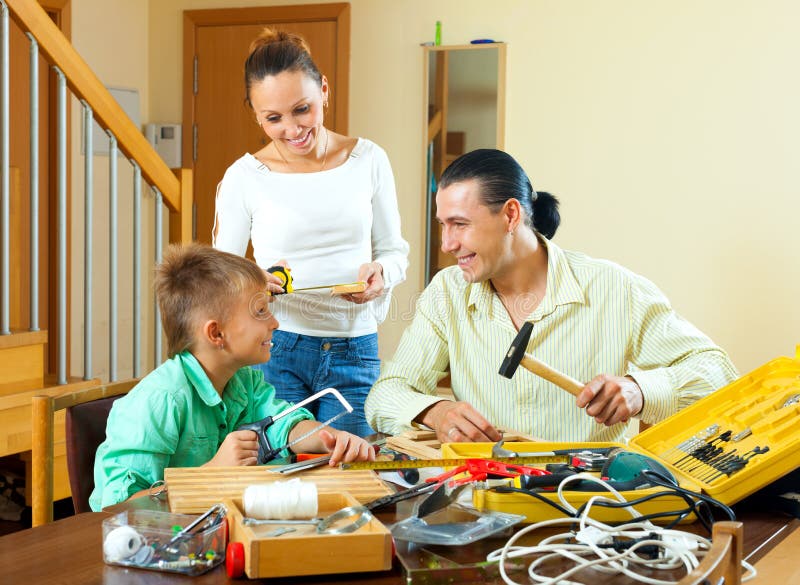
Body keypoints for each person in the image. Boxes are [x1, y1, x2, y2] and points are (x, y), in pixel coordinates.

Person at [365, 149, 738, 444]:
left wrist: (641, 389)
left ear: (511, 215)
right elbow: (385, 394)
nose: (447, 244)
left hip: (589, 502)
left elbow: (718, 373)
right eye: (443, 226)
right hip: (483, 499)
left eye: (460, 224)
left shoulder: (614, 289)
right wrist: (436, 411)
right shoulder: (447, 293)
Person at [213, 28, 409, 438]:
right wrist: (254, 280)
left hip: (354, 349)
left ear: (324, 90)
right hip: (276, 349)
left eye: (302, 109)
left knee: (354, 467)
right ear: (256, 115)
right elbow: (220, 273)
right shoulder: (243, 178)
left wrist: (381, 274)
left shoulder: (369, 159)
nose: (292, 128)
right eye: (273, 118)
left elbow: (393, 250)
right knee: (280, 473)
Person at [90, 244, 375, 511]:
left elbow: (281, 425)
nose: (275, 323)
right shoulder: (159, 401)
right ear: (216, 334)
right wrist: (210, 472)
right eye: (261, 311)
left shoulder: (244, 381)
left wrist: (330, 438)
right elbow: (118, 507)